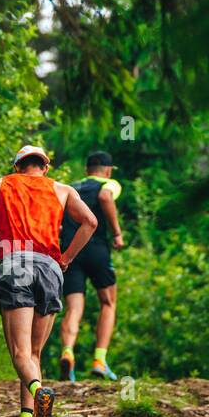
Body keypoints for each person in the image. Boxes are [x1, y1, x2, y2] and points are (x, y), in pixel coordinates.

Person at [0, 145, 97, 417]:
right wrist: (66, 258)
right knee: (33, 354)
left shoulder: (2, 184)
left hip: (15, 265)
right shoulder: (62, 189)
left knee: (19, 354)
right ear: (45, 167)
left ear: (17, 167)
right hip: (50, 269)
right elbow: (90, 222)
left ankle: (38, 391)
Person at [58, 151, 124, 381]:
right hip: (96, 248)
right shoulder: (109, 183)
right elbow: (106, 197)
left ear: (87, 170)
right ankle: (99, 359)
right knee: (108, 302)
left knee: (74, 308)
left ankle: (68, 352)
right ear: (108, 170)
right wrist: (117, 233)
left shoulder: (71, 187)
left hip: (71, 251)